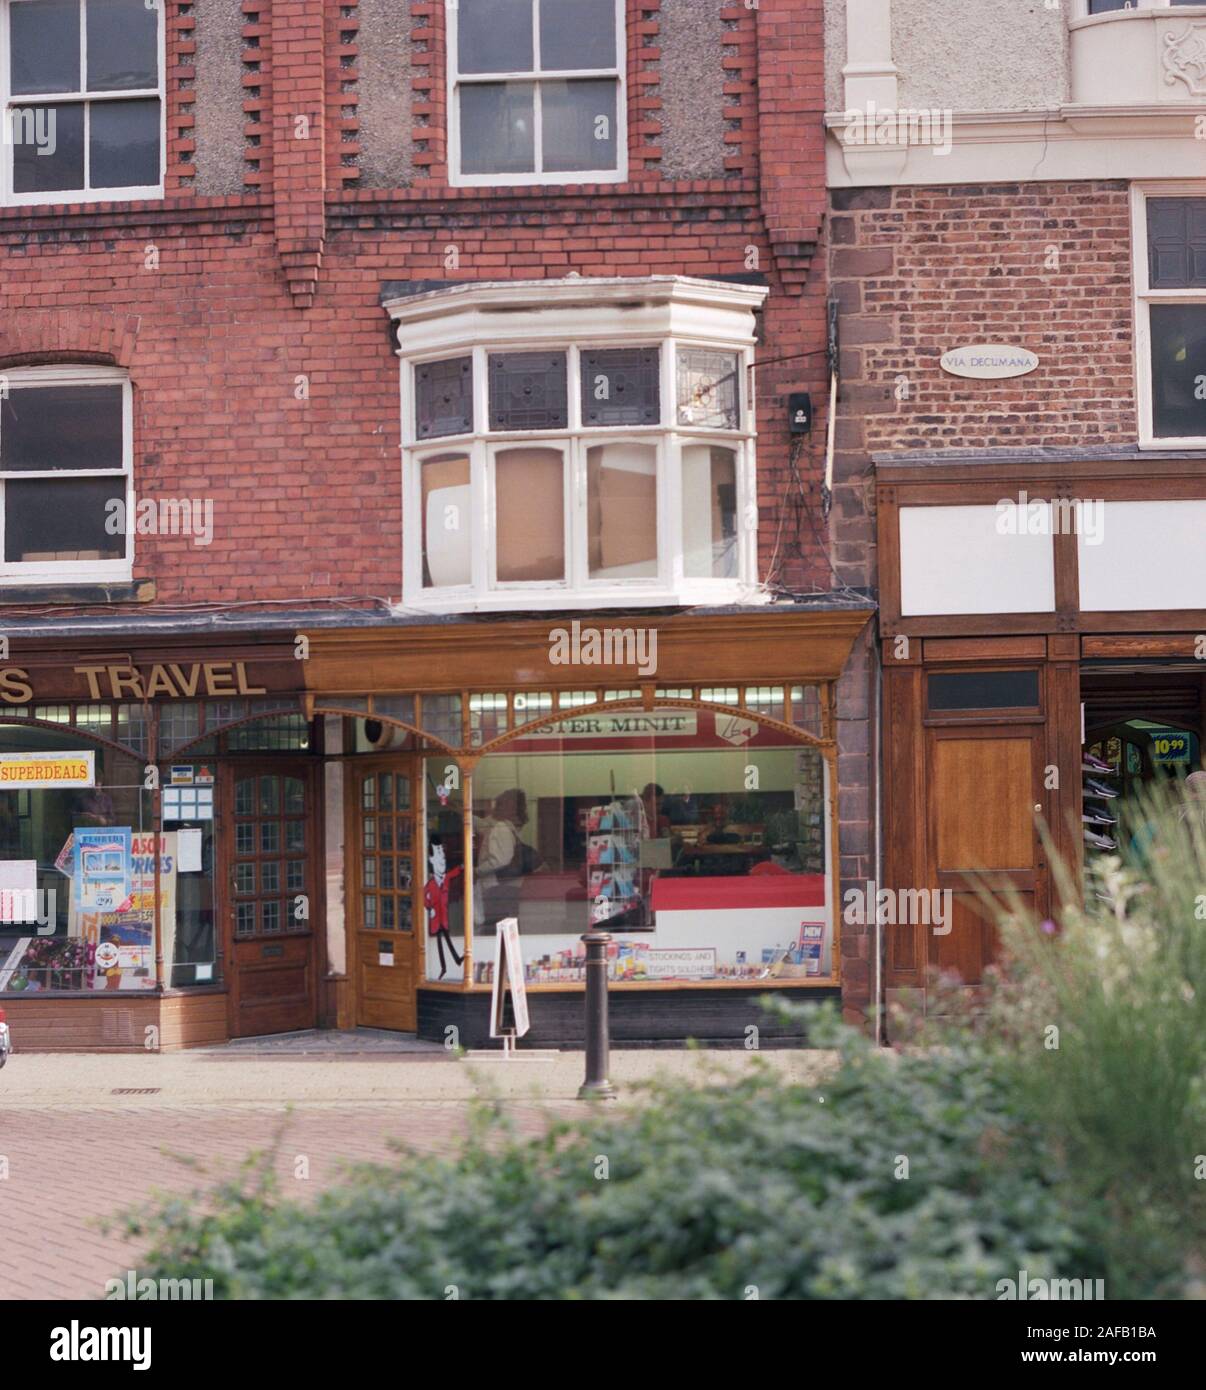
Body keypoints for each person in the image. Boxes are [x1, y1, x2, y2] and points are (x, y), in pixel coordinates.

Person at [475, 788, 530, 927]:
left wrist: (477, 871)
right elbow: (482, 825)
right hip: (508, 887)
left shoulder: (501, 827)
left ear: (507, 807)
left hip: (497, 887)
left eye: (498, 804)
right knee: (508, 926)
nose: (495, 808)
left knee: (497, 928)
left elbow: (500, 860)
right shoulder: (509, 826)